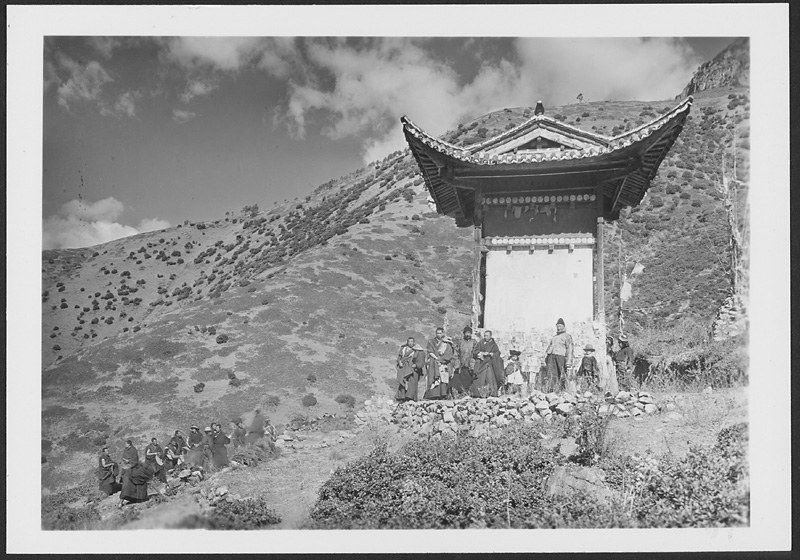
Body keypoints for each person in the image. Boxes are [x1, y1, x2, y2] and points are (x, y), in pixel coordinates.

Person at [544, 318, 574, 393]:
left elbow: (569, 349)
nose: (558, 328)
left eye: (560, 326)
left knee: (562, 374)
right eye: (557, 326)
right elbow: (549, 347)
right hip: (551, 357)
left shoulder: (567, 336)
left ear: (564, 327)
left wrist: (568, 361)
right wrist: (546, 357)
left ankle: (562, 391)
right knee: (551, 374)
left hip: (561, 357)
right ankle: (552, 391)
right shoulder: (554, 337)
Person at [424, 327, 454, 400]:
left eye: (440, 333)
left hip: (444, 363)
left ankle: (443, 394)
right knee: (433, 377)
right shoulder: (431, 342)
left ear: (443, 333)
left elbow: (449, 354)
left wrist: (441, 360)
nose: (439, 335)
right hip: (433, 361)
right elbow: (430, 351)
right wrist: (436, 359)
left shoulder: (447, 343)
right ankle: (433, 395)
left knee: (443, 378)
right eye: (437, 333)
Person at [470, 330, 503, 397]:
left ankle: (491, 393)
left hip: (488, 364)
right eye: (484, 335)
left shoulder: (493, 344)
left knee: (490, 379)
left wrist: (491, 354)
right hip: (481, 363)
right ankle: (478, 394)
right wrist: (480, 353)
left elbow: (497, 353)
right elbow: (475, 351)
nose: (485, 337)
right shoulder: (481, 343)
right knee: (479, 379)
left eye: (487, 336)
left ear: (490, 336)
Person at [395, 336, 426, 402]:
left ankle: (410, 397)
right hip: (404, 366)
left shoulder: (417, 350)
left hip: (412, 368)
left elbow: (421, 359)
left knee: (412, 382)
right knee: (402, 381)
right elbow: (399, 357)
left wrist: (417, 365)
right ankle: (402, 397)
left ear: (414, 342)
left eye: (411, 341)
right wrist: (399, 362)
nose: (410, 343)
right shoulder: (403, 349)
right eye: (409, 341)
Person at [450, 326, 477, 397]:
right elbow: (456, 354)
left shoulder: (474, 342)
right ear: (464, 333)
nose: (468, 335)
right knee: (460, 379)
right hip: (462, 364)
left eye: (469, 333)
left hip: (470, 364)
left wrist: (472, 364)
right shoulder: (460, 342)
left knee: (469, 380)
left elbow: (475, 353)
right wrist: (457, 364)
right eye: (466, 333)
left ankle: (469, 393)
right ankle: (461, 393)